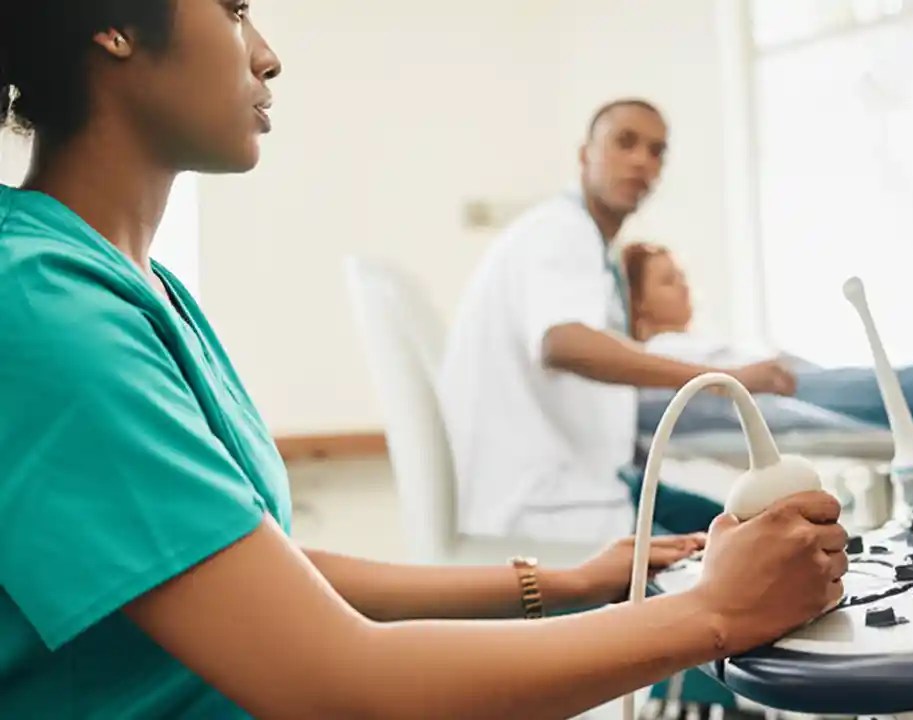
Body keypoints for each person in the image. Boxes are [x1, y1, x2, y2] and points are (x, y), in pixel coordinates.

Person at [0, 4, 847, 718]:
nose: (266, 55)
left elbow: (255, 571)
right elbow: (336, 683)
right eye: (232, 8)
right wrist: (715, 613)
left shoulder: (139, 290)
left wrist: (563, 583)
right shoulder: (45, 307)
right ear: (113, 26)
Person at [439, 99, 796, 543]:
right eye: (625, 142)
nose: (641, 161)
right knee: (762, 553)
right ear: (584, 154)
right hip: (547, 510)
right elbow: (564, 343)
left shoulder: (585, 244)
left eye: (656, 151)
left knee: (761, 532)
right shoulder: (559, 230)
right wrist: (722, 376)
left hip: (593, 487)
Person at [621, 242, 913, 435]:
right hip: (791, 392)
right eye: (669, 281)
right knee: (912, 389)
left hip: (797, 380)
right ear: (637, 303)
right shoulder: (659, 354)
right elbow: (721, 392)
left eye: (682, 276)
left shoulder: (683, 345)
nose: (685, 287)